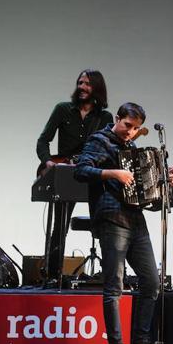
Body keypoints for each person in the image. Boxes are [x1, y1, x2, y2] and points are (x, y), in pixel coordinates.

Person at [74, 102, 173, 344]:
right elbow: (81, 170)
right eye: (128, 126)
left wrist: (163, 180)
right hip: (111, 218)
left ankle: (141, 341)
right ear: (117, 119)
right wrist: (113, 173)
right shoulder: (100, 141)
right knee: (114, 286)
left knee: (152, 281)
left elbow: (145, 192)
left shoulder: (131, 148)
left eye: (136, 128)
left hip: (135, 220)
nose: (130, 132)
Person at [36, 69, 113, 286]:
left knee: (103, 223)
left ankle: (109, 275)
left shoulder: (104, 117)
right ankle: (53, 275)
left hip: (90, 173)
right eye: (80, 82)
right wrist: (49, 162)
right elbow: (43, 141)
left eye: (87, 84)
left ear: (96, 88)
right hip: (65, 174)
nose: (82, 87)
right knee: (59, 226)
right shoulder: (62, 109)